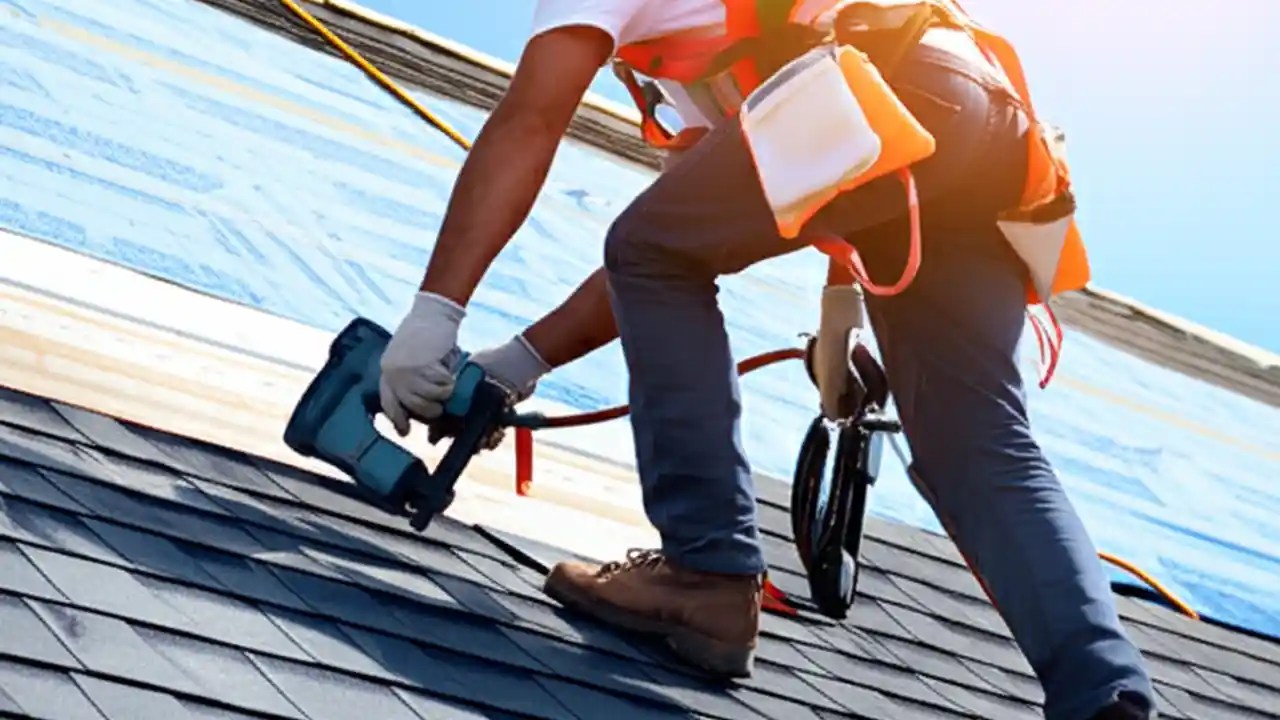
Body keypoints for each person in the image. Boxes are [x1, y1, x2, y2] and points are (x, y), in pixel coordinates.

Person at [375, 2, 1155, 718]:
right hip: (983, 126)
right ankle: (1103, 691)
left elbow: (533, 120)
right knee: (978, 440)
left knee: (652, 248)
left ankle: (708, 572)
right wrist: (519, 361)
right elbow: (670, 247)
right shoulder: (690, 59)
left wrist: (433, 314)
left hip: (904, 90)